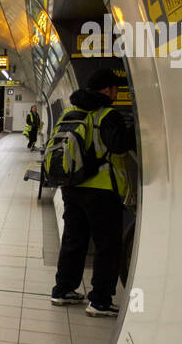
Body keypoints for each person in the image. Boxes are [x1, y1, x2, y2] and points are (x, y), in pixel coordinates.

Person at [47, 68, 135, 317]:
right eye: (115, 88)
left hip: (72, 187)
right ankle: (100, 300)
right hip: (102, 190)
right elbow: (118, 146)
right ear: (107, 90)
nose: (116, 92)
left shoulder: (70, 112)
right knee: (108, 246)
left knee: (74, 240)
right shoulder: (108, 115)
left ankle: (62, 290)